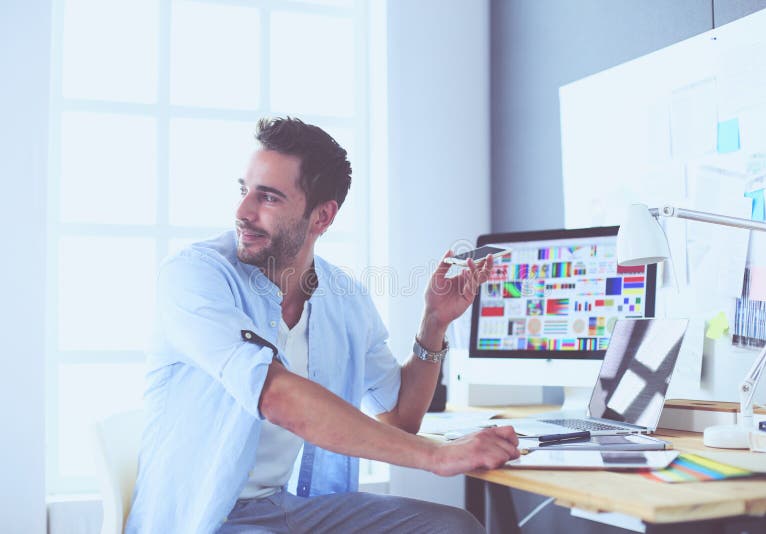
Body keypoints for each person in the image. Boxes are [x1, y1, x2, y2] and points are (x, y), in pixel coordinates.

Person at [125, 117, 519, 533]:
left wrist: (434, 321)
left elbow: (400, 418)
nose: (242, 212)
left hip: (281, 510)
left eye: (269, 198)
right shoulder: (194, 277)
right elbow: (274, 394)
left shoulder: (343, 298)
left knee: (454, 528)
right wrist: (436, 456)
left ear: (322, 216)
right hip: (201, 519)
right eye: (244, 191)